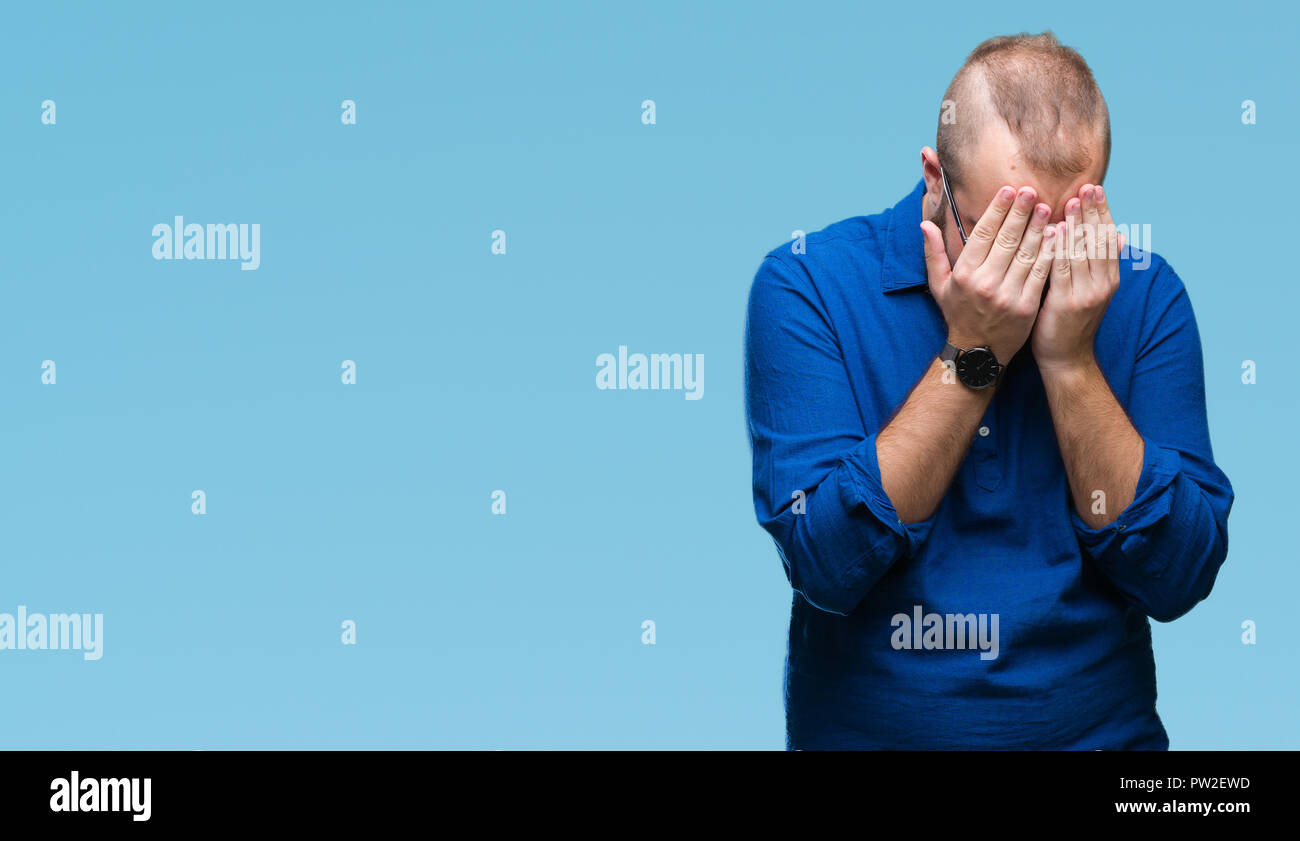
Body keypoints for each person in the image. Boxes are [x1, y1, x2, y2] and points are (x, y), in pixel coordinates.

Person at [743, 31, 1234, 749]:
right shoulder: (807, 285)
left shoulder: (1145, 293)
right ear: (933, 178)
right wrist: (974, 353)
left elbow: (1180, 575)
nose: (1032, 271)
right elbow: (827, 561)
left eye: (1061, 232)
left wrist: (1070, 362)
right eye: (1005, 230)